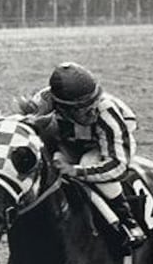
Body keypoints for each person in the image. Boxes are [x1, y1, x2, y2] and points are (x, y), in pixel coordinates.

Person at [18, 62, 146, 251]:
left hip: (103, 144)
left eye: (93, 102)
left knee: (88, 161)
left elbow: (117, 165)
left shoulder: (107, 113)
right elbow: (26, 128)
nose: (92, 110)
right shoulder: (44, 102)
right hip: (69, 138)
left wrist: (77, 171)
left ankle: (128, 221)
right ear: (62, 107)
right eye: (82, 107)